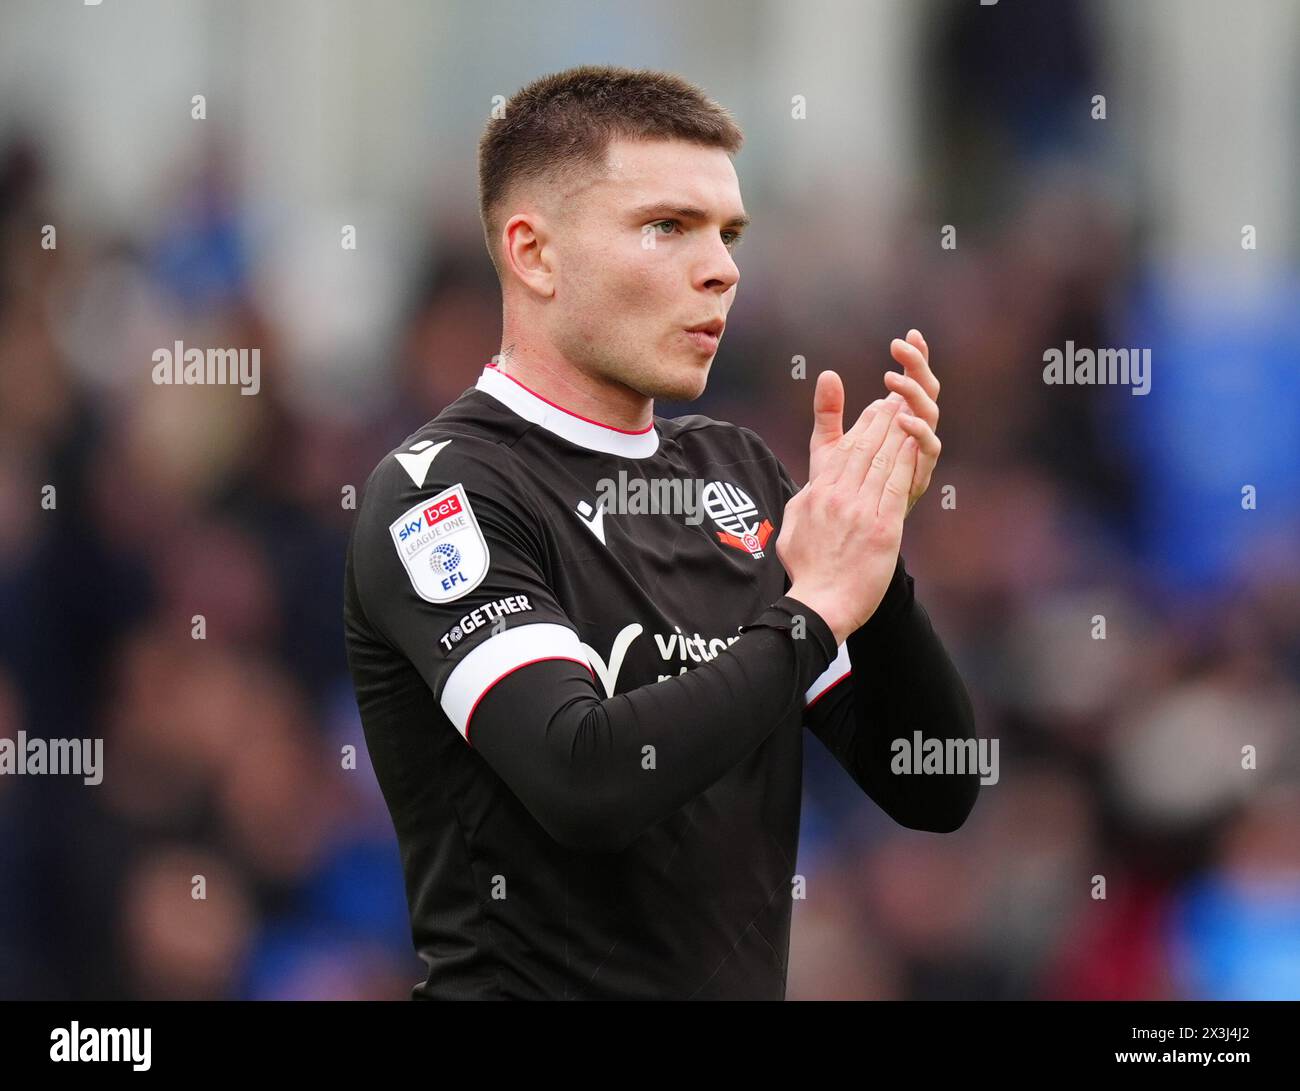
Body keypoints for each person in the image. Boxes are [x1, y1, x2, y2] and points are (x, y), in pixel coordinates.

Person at [343, 64, 979, 1000]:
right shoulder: (443, 492)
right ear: (535, 253)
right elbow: (584, 775)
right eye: (667, 227)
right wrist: (812, 611)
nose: (720, 266)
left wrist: (873, 564)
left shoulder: (736, 476)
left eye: (729, 233)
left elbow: (933, 782)